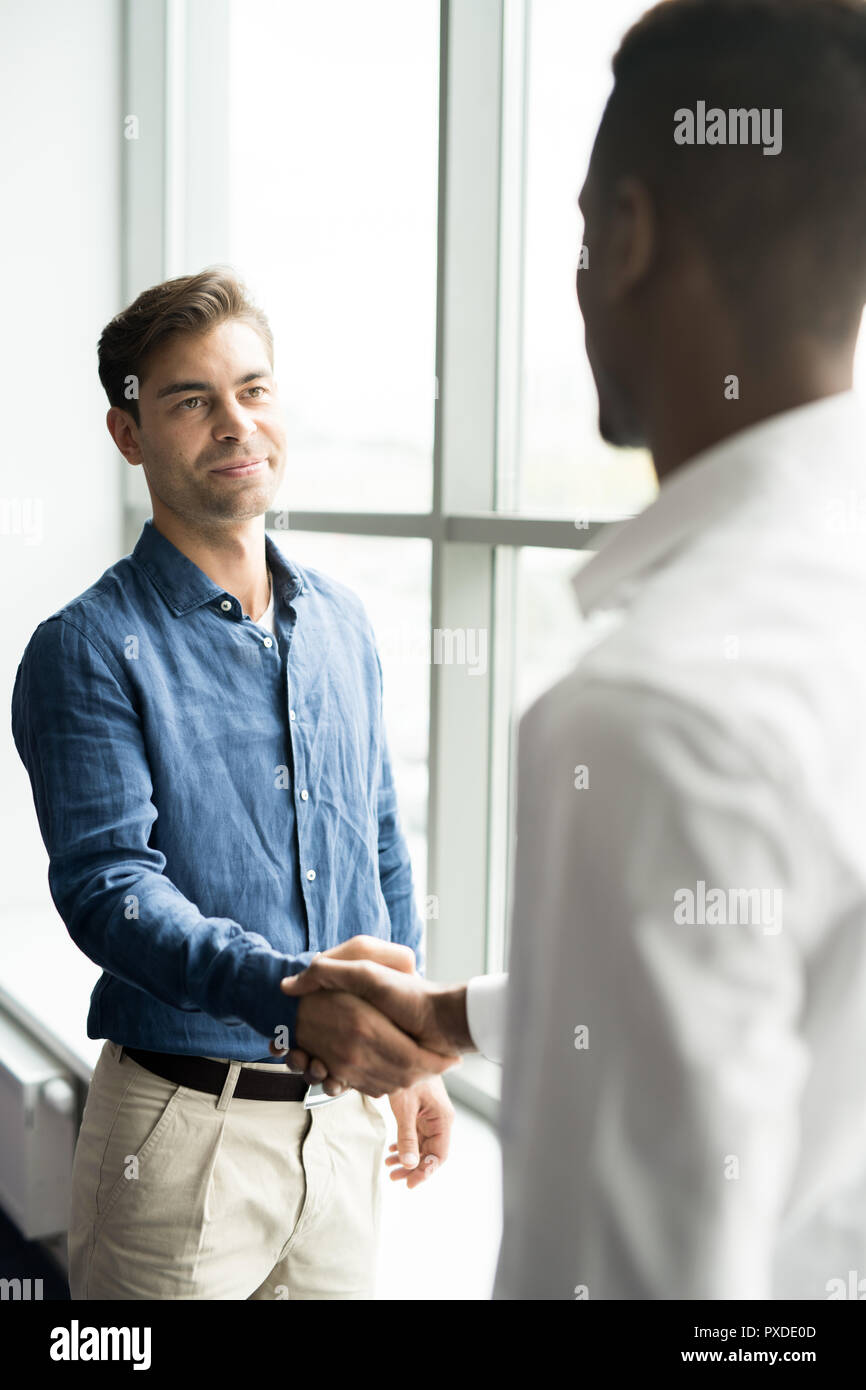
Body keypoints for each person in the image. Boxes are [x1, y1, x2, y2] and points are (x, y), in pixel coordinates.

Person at [274, 0, 866, 1300]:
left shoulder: (654, 706)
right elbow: (784, 980)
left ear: (631, 234)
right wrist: (453, 1016)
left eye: (581, 236)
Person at [11, 269, 457, 1300]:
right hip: (180, 1139)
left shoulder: (341, 623)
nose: (233, 422)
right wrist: (291, 1002)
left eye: (252, 389)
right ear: (129, 433)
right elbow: (110, 888)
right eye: (189, 399)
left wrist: (414, 1042)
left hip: (342, 1132)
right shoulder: (86, 649)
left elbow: (378, 844)